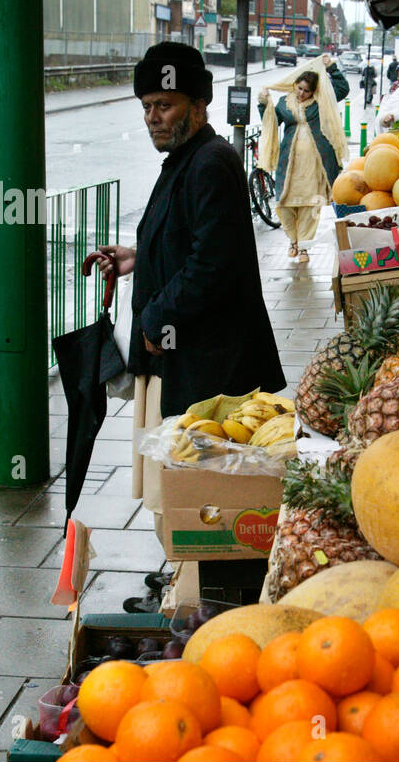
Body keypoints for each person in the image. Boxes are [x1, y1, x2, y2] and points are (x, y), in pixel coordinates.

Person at [94, 42, 285, 541]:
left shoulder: (209, 163)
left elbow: (212, 264)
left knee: (199, 485)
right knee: (178, 478)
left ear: (199, 106)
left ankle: (196, 582)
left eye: (165, 105)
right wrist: (136, 258)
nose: (153, 118)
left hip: (206, 361)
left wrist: (157, 318)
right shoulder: (187, 159)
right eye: (146, 107)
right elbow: (190, 240)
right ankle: (182, 572)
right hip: (185, 355)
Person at [257, 55, 349, 262]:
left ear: (313, 90)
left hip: (315, 162)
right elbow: (270, 120)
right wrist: (263, 102)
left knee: (310, 204)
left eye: (307, 90)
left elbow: (342, 90)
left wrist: (332, 67)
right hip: (289, 161)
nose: (302, 94)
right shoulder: (284, 103)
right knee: (285, 203)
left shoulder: (321, 101)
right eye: (299, 88)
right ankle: (293, 241)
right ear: (295, 85)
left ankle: (305, 247)